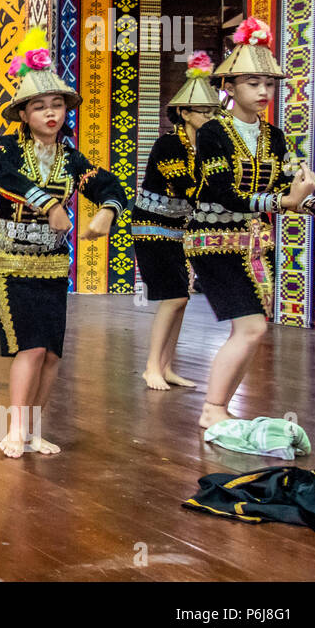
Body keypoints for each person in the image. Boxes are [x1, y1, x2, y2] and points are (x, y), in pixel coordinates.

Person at [185, 17, 315, 429]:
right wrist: (282, 200)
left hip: (255, 242)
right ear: (230, 87)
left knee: (254, 328)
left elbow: (292, 190)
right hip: (213, 240)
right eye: (253, 83)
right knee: (251, 327)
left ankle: (220, 406)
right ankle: (212, 408)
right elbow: (221, 191)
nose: (263, 91)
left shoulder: (274, 137)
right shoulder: (213, 132)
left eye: (268, 84)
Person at [0, 28, 125, 458]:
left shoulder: (71, 156)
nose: (50, 113)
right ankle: (13, 428)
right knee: (31, 346)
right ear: (23, 114)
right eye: (39, 106)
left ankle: (33, 429)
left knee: (53, 354)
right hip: (7, 260)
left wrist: (106, 212)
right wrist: (48, 204)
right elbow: (2, 177)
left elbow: (107, 182)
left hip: (51, 262)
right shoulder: (6, 148)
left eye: (57, 105)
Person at [133, 51, 220, 391]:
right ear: (183, 112)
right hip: (152, 226)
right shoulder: (168, 144)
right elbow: (190, 186)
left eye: (214, 111)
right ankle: (151, 366)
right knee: (173, 297)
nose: (210, 117)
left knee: (181, 297)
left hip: (179, 227)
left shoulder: (207, 146)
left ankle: (166, 366)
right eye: (203, 111)